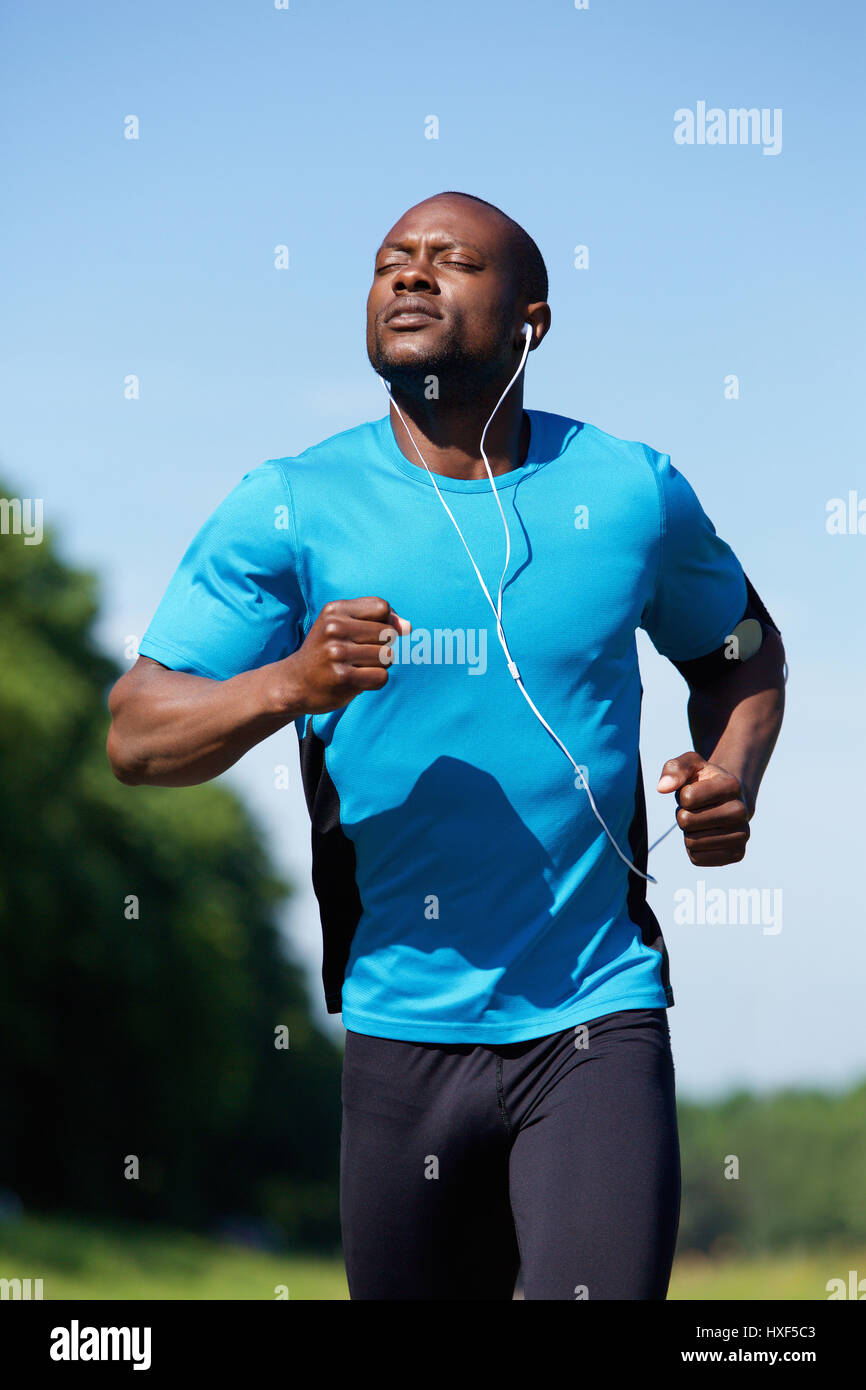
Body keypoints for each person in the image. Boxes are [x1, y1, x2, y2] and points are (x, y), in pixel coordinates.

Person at [106, 190, 785, 1300]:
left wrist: (728, 777)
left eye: (450, 261)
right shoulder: (290, 503)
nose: (411, 276)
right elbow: (137, 733)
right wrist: (289, 680)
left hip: (593, 1017)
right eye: (390, 261)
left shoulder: (627, 491)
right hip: (395, 1037)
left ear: (531, 319)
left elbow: (741, 654)